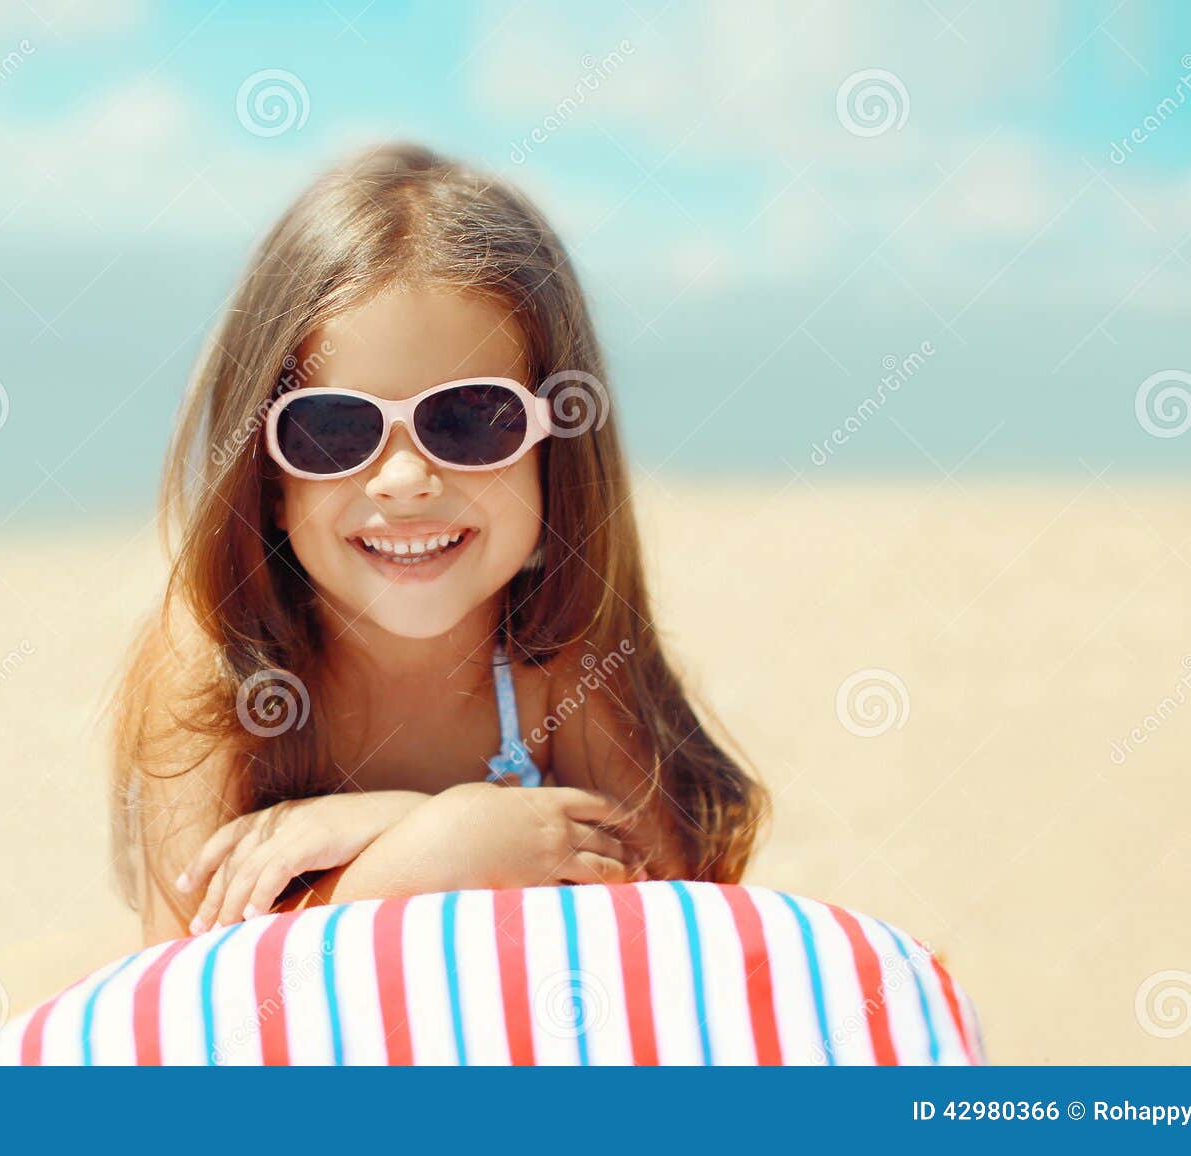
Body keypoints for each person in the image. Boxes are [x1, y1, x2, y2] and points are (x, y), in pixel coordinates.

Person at [110, 143, 766, 946]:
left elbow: (682, 923)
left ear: (553, 457)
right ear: (269, 481)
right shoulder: (213, 669)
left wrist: (435, 833)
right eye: (334, 430)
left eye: (469, 419)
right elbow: (185, 985)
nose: (404, 479)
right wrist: (428, 845)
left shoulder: (556, 660)